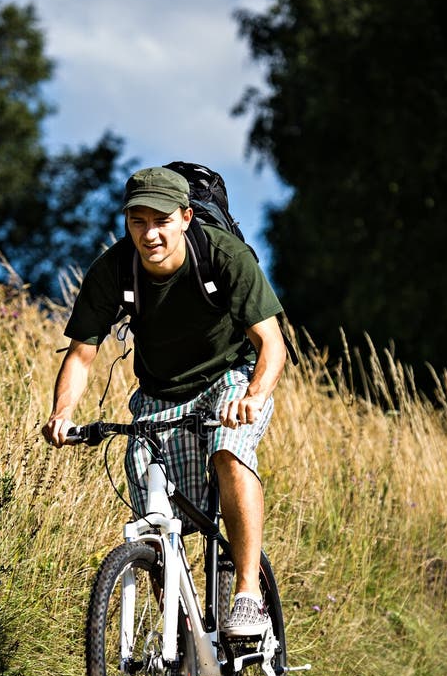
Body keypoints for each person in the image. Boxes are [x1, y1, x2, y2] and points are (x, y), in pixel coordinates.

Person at [42, 166, 287, 637]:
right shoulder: (114, 269)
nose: (150, 234)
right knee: (154, 517)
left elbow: (271, 344)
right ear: (127, 222)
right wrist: (62, 413)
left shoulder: (223, 256)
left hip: (229, 379)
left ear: (186, 216)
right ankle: (179, 646)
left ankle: (247, 595)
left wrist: (253, 397)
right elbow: (80, 355)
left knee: (229, 451)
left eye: (162, 220)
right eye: (139, 221)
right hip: (158, 393)